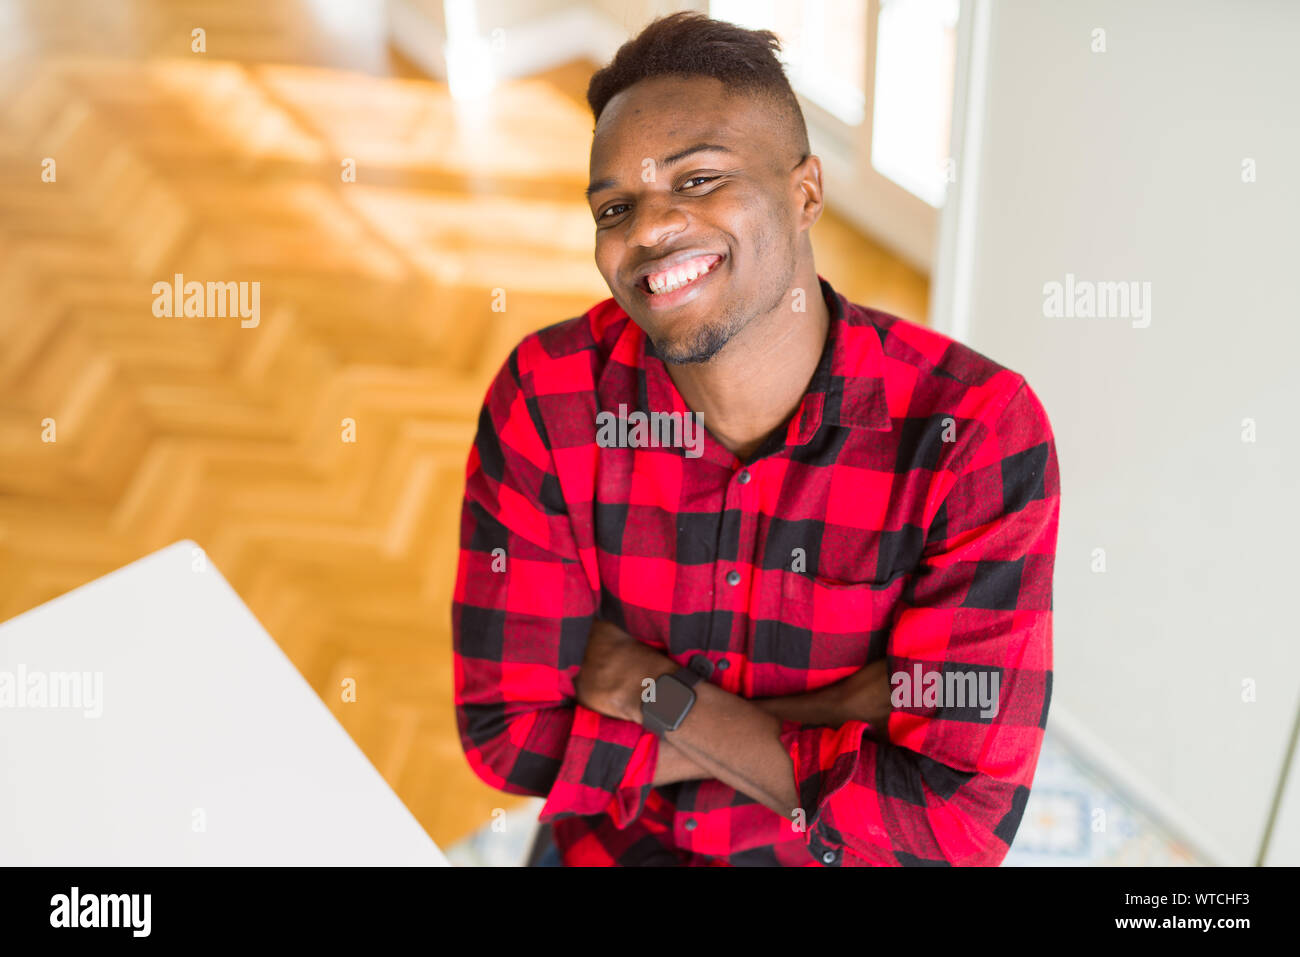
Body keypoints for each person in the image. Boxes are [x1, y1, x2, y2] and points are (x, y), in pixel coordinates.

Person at [451, 12, 1059, 866]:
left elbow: (955, 823)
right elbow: (505, 735)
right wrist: (836, 712)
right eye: (615, 206)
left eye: (698, 180)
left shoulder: (975, 435)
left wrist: (649, 691)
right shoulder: (547, 396)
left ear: (806, 192)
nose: (650, 230)